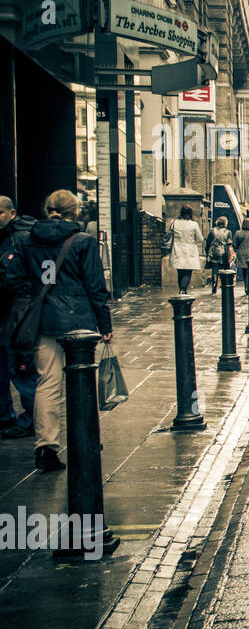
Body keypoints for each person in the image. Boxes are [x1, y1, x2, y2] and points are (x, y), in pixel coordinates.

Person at [2, 190, 113, 479]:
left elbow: (13, 278)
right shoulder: (83, 242)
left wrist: (35, 295)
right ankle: (85, 439)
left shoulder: (26, 240)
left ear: (47, 209)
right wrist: (105, 325)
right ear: (75, 212)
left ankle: (46, 447)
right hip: (79, 322)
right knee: (81, 381)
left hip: (43, 321)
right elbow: (95, 286)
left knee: (47, 382)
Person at [0, 196, 37, 439]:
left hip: (17, 315)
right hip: (5, 314)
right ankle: (4, 418)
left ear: (11, 213)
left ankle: (31, 419)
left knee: (20, 368)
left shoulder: (22, 239)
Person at [168, 204, 204, 294]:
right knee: (187, 272)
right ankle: (183, 290)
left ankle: (181, 289)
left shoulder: (174, 222)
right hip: (190, 250)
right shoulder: (194, 225)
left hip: (177, 249)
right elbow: (200, 239)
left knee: (180, 271)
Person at [204, 216, 234, 293]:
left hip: (214, 252)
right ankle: (226, 284)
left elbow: (208, 242)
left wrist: (207, 251)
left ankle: (214, 285)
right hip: (224, 252)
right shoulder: (228, 232)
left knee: (215, 269)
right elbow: (229, 244)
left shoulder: (212, 231)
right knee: (226, 268)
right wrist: (231, 254)